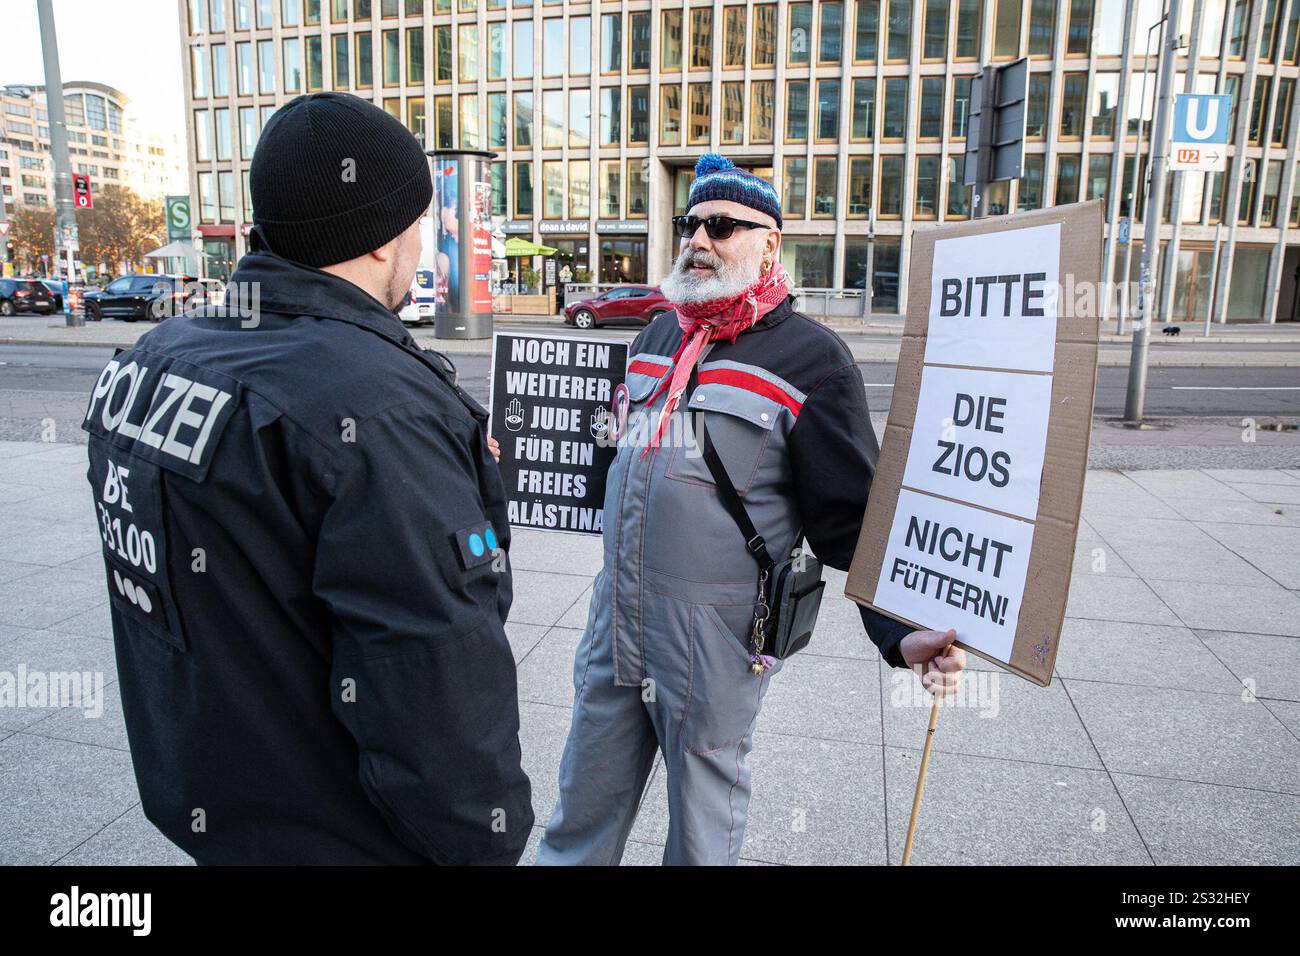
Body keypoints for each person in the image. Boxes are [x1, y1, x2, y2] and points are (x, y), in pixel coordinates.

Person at [82, 92, 531, 865]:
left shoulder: (151, 359)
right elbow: (433, 682)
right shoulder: (375, 411)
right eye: (420, 221)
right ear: (387, 239)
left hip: (213, 806)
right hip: (346, 838)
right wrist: (485, 839)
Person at [537, 154, 966, 866]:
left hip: (714, 637)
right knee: (579, 814)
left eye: (724, 226)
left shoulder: (813, 361)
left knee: (701, 835)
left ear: (770, 243)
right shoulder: (655, 336)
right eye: (692, 224)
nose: (699, 240)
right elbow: (618, 463)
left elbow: (852, 521)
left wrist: (904, 631)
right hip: (616, 619)